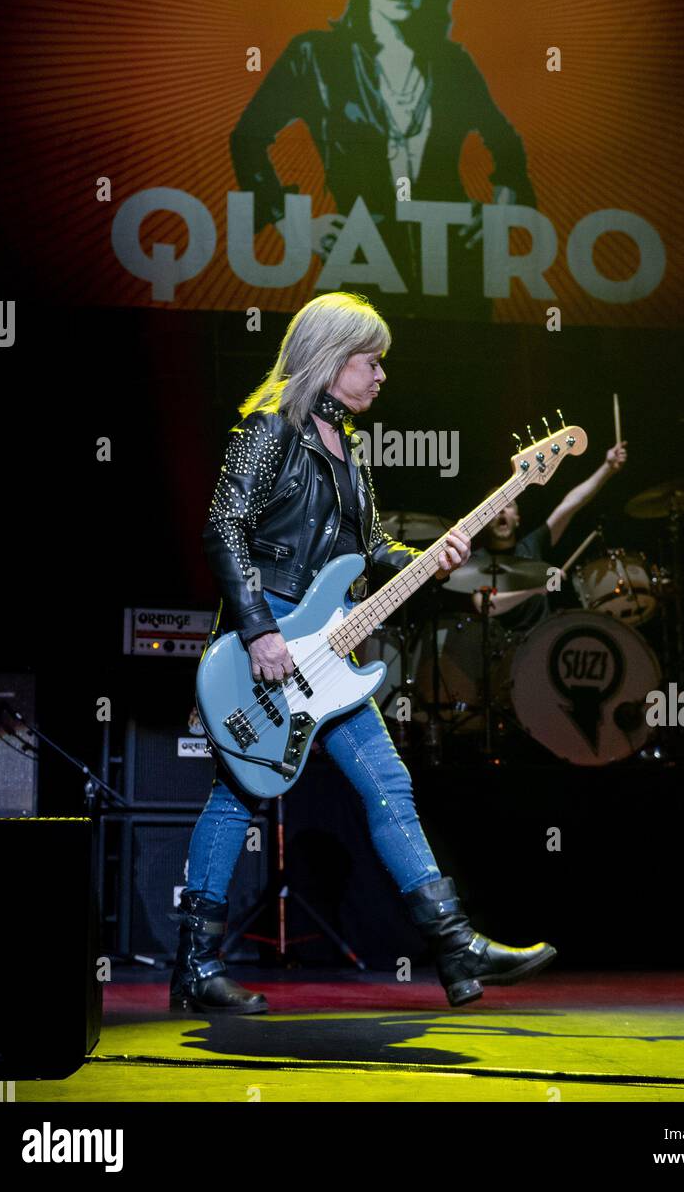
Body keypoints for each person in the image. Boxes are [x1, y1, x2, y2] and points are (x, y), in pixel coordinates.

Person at [171, 291, 557, 1013]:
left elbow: (368, 548)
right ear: (329, 355)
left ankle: (454, 945)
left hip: (329, 656)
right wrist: (259, 631)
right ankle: (196, 966)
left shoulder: (347, 445)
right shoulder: (269, 428)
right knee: (241, 795)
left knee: (389, 781)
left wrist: (428, 557)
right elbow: (223, 530)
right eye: (370, 360)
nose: (381, 375)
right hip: (268, 640)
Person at [230, 0, 535, 320]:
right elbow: (248, 137)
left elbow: (507, 145)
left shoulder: (452, 63)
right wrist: (294, 224)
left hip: (454, 273)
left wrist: (499, 211)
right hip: (359, 269)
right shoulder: (317, 55)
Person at [470, 442, 629, 634]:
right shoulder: (478, 559)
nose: (502, 509)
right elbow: (484, 606)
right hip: (501, 651)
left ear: (517, 519)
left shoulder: (531, 545)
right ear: (485, 520)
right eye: (494, 507)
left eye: (508, 505)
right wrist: (535, 588)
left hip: (541, 641)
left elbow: (570, 505)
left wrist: (607, 468)